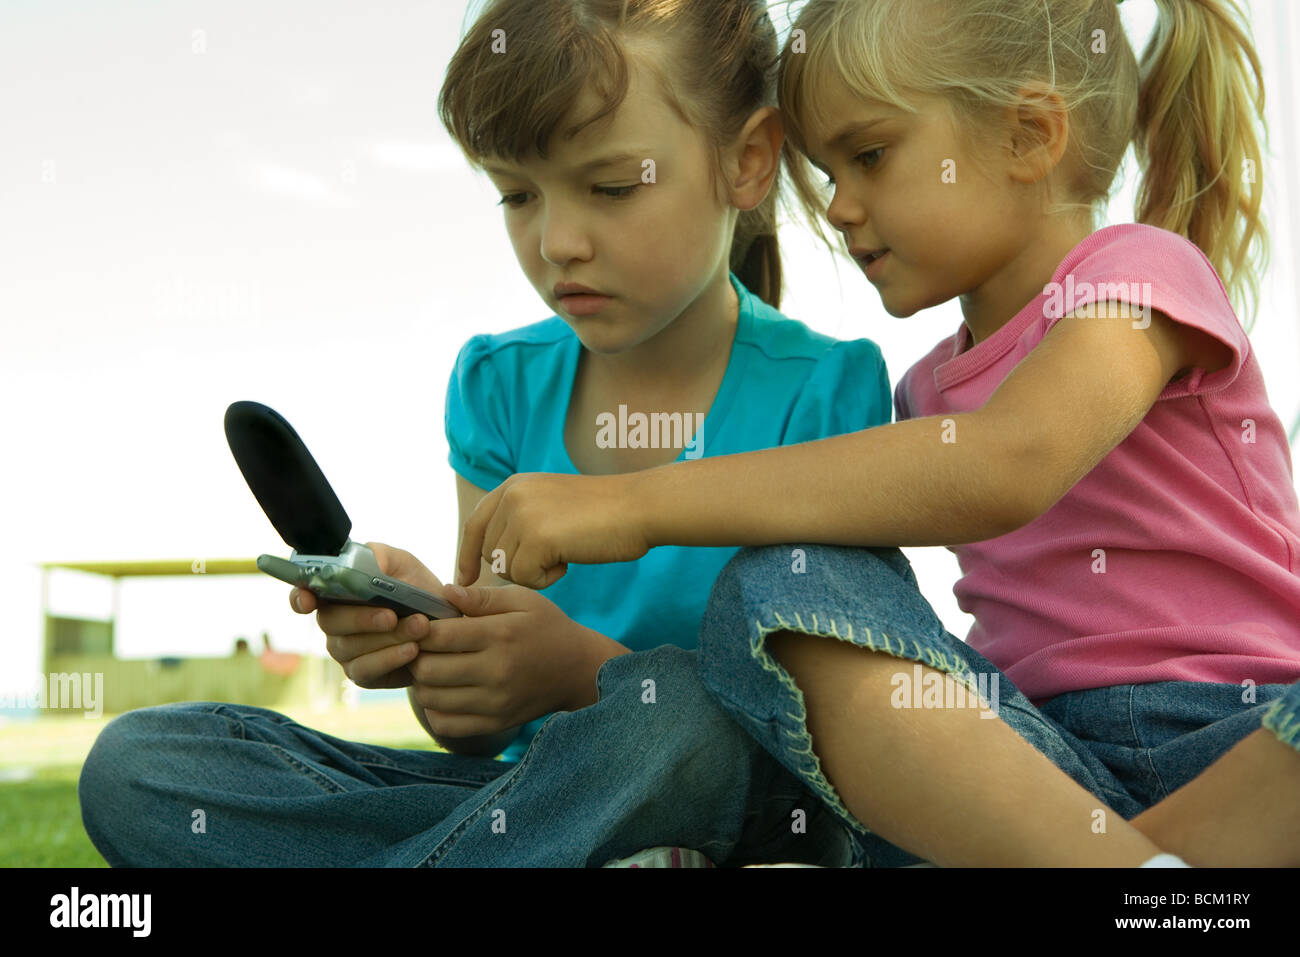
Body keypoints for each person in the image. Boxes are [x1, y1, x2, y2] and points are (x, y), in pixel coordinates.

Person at [456, 0, 1300, 867]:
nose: (838, 207)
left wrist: (634, 504)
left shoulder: (1137, 275)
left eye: (868, 156)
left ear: (1028, 136)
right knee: (781, 591)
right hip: (1035, 777)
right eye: (826, 174)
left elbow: (1009, 462)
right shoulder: (923, 388)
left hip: (1232, 736)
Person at [76, 0, 892, 867]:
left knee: (675, 716)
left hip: (742, 796)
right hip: (536, 812)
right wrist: (437, 650)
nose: (558, 241)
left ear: (748, 159)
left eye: (612, 187)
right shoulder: (496, 386)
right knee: (141, 766)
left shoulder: (825, 391)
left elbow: (827, 731)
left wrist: (585, 672)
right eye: (516, 194)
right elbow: (473, 736)